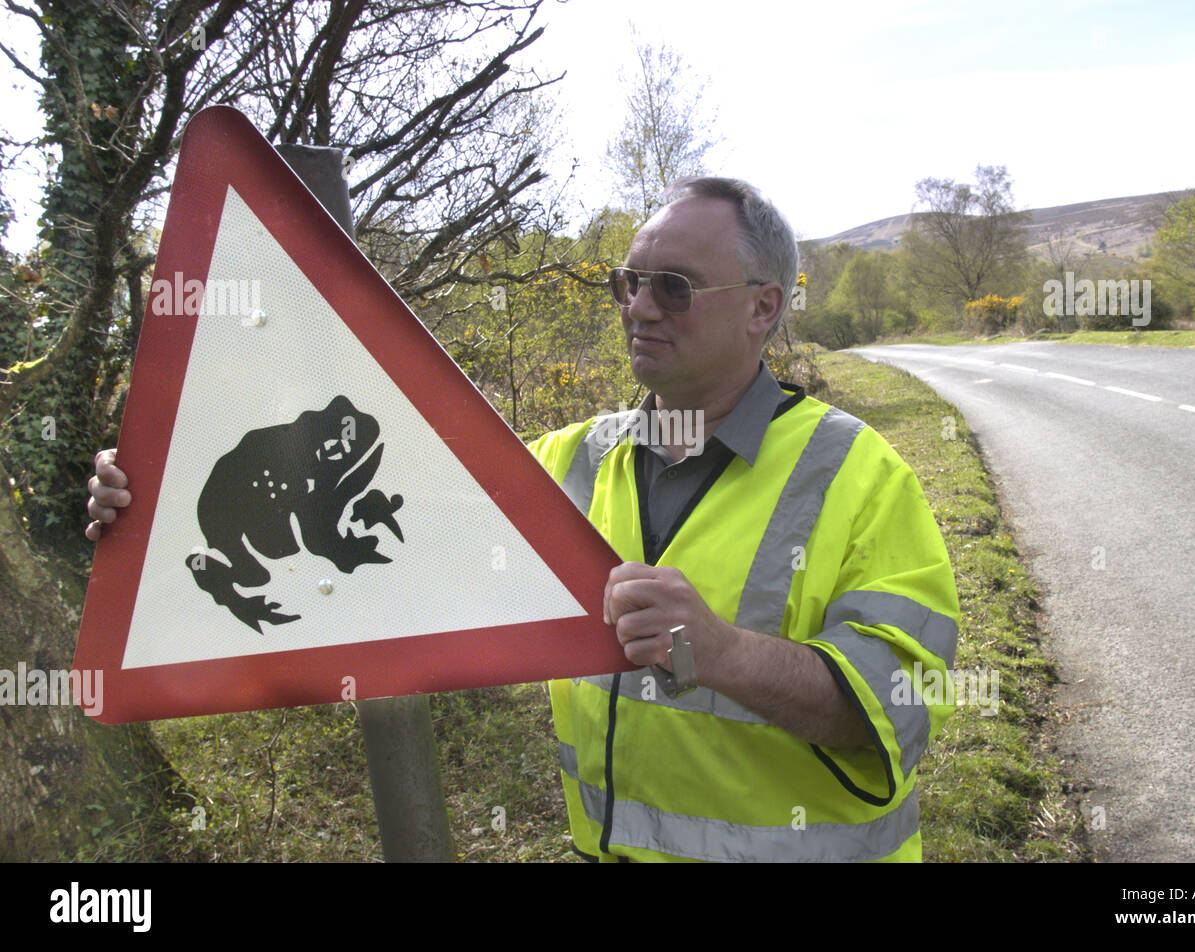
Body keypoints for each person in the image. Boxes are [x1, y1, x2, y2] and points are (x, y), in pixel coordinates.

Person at [87, 176, 960, 863]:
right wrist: (156, 506)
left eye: (674, 287)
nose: (638, 306)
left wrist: (723, 652)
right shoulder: (570, 460)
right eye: (627, 282)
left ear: (764, 308)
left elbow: (902, 707)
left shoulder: (859, 476)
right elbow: (387, 528)